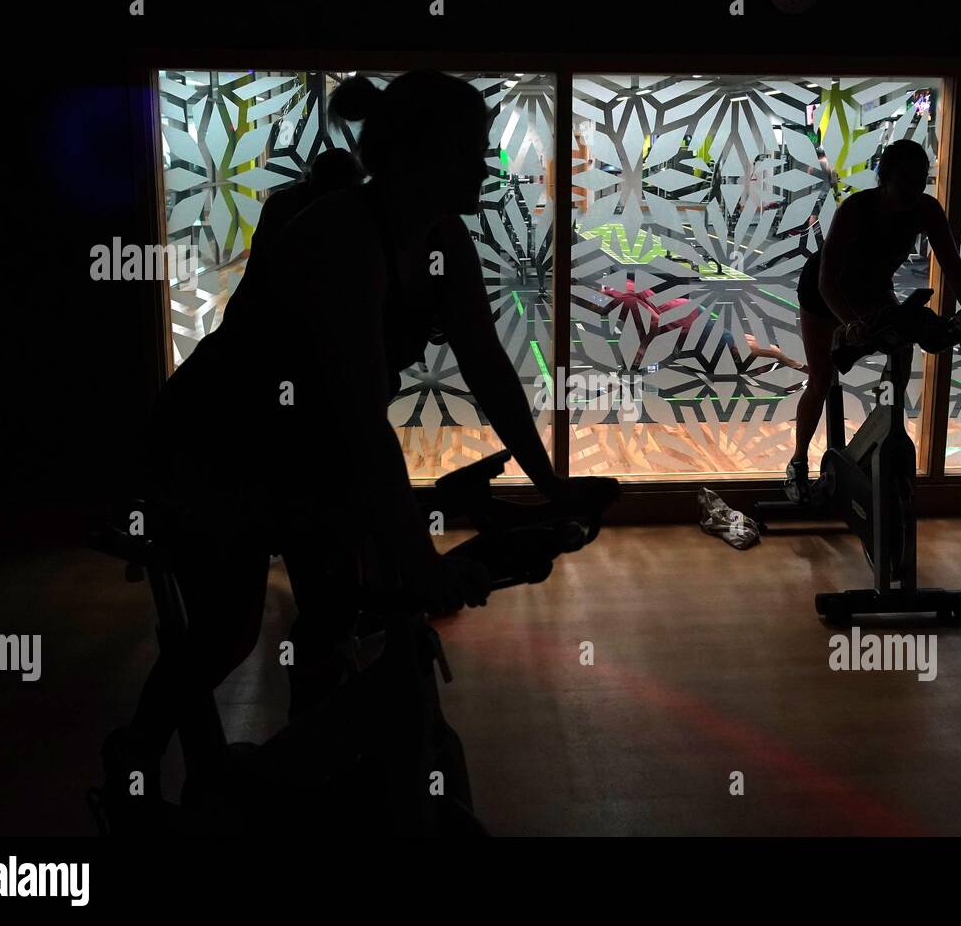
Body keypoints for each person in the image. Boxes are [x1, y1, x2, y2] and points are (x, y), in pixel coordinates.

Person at [102, 71, 610, 827]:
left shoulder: (442, 238)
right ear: (419, 155)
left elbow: (490, 370)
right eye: (470, 151)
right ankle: (133, 758)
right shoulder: (343, 237)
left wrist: (553, 485)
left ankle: (305, 781)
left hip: (310, 442)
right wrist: (422, 560)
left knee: (334, 619)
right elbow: (361, 420)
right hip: (217, 439)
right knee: (231, 627)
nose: (484, 167)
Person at [785, 138, 961, 505]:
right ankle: (797, 464)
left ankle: (885, 428)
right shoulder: (856, 209)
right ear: (884, 179)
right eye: (905, 181)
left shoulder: (925, 209)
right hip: (824, 292)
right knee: (822, 378)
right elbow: (828, 280)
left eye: (920, 180)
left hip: (872, 288)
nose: (913, 189)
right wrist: (852, 325)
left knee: (902, 346)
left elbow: (953, 265)